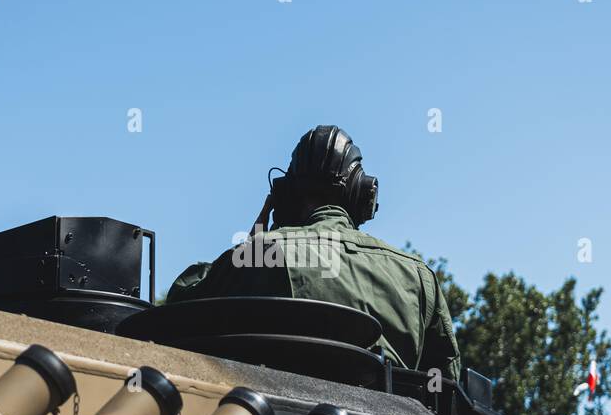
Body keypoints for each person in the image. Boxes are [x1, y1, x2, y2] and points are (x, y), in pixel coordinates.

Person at [167, 125, 460, 380]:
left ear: (284, 198)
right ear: (364, 196)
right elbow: (446, 390)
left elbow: (180, 310)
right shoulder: (419, 277)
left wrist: (253, 243)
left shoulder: (262, 255)